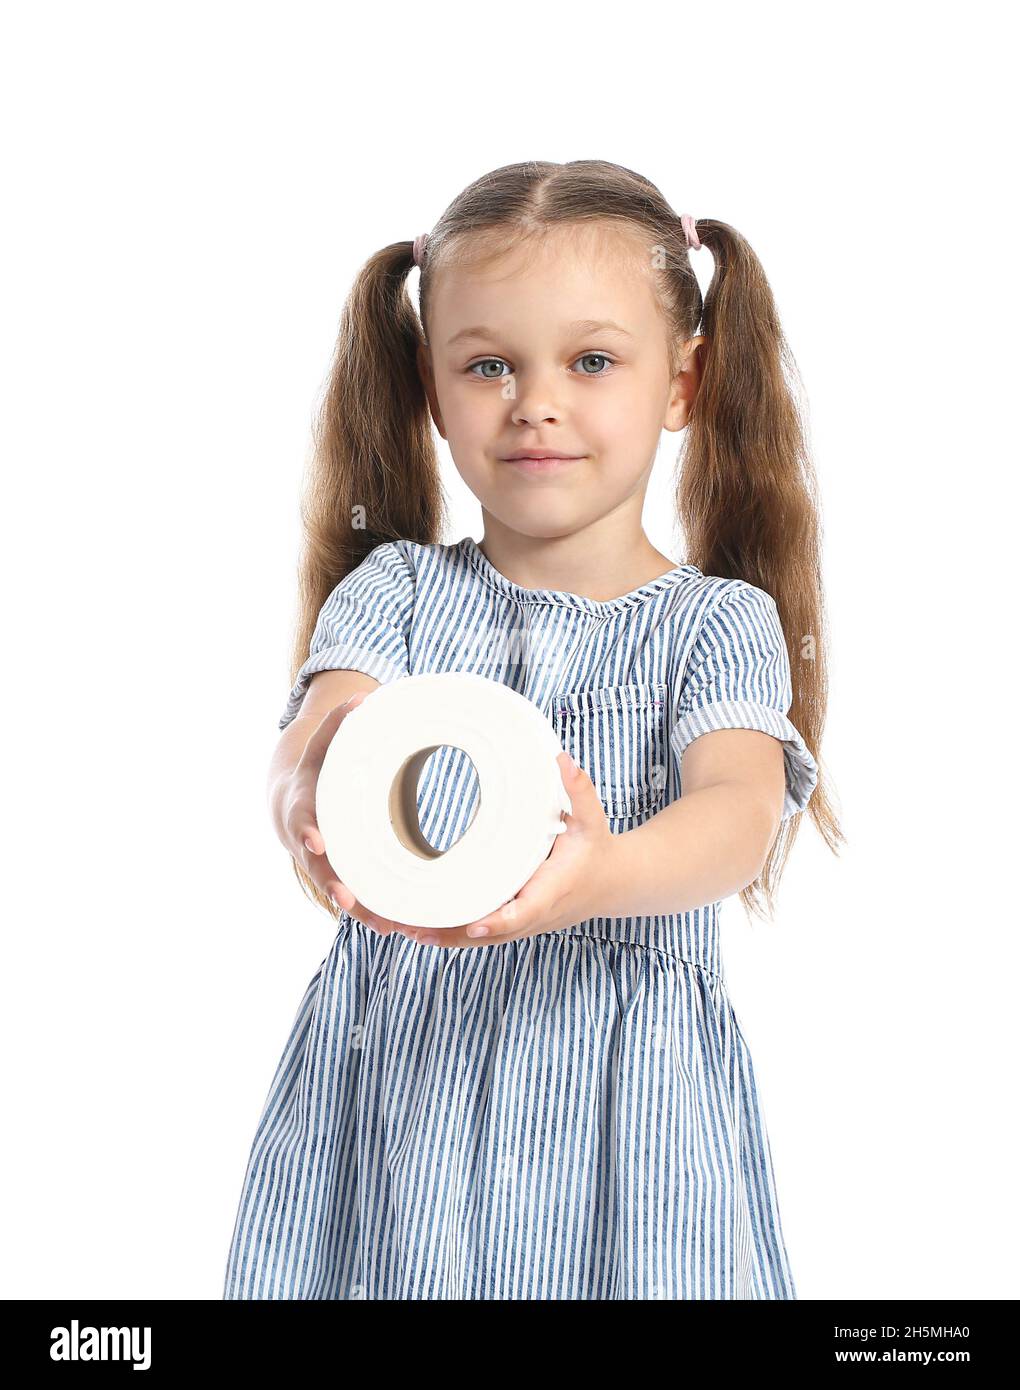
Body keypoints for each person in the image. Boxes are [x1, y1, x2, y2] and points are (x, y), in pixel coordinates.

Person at [222, 158, 844, 1301]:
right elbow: (321, 731)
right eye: (489, 365)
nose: (535, 401)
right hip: (400, 1084)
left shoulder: (716, 623)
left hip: (631, 1113)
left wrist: (607, 868)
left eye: (592, 361)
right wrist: (305, 799)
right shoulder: (395, 592)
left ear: (683, 383)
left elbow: (737, 813)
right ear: (430, 384)